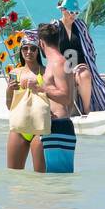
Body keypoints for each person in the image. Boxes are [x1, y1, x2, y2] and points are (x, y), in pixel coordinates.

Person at [52, 0, 105, 114]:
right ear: (63, 10)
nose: (73, 15)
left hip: (80, 62)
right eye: (71, 12)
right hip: (62, 66)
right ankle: (64, 111)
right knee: (64, 77)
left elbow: (89, 45)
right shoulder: (55, 26)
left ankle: (87, 110)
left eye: (76, 13)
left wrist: (91, 62)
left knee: (85, 75)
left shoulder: (80, 25)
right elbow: (41, 35)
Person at [37, 23, 78, 172]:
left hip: (60, 126)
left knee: (58, 180)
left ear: (41, 42)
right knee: (54, 183)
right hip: (56, 126)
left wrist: (41, 88)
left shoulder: (58, 63)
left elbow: (66, 97)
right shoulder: (55, 63)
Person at [4, 30, 46, 172]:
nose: (29, 52)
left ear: (38, 51)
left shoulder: (46, 72)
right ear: (21, 50)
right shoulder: (15, 73)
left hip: (40, 129)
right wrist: (9, 90)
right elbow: (10, 105)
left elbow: (53, 98)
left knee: (41, 178)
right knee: (13, 175)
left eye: (33, 48)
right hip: (19, 127)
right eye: (25, 48)